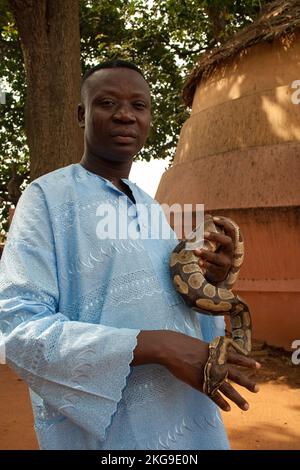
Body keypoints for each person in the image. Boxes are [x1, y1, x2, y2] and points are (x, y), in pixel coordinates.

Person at [0, 60, 259, 450]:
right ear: (81, 114)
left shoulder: (152, 208)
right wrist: (159, 346)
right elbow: (18, 332)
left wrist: (215, 281)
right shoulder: (46, 198)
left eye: (139, 106)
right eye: (107, 103)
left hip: (188, 418)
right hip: (110, 434)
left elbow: (175, 304)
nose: (125, 115)